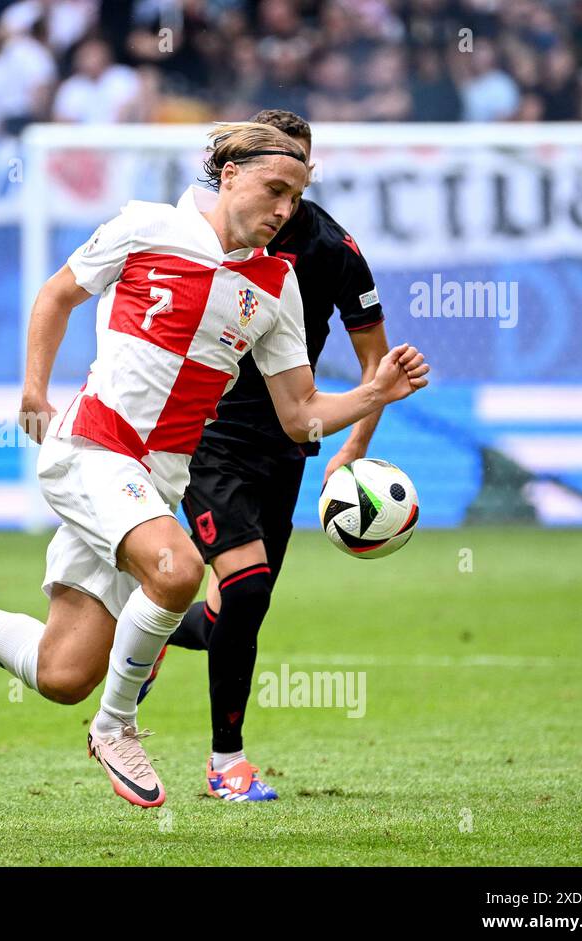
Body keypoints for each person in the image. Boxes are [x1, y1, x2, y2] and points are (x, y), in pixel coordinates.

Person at [0, 122, 430, 807]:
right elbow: (57, 294)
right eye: (274, 190)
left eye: (295, 197)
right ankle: (116, 728)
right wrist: (32, 390)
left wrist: (371, 395)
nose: (285, 210)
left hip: (153, 483)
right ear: (229, 176)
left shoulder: (276, 286)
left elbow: (300, 416)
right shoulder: (145, 227)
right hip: (91, 448)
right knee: (179, 571)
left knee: (63, 673)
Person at [142, 109, 390, 804]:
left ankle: (153, 627)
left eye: (296, 181)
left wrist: (352, 452)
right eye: (271, 180)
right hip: (207, 432)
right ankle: (227, 764)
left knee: (240, 609)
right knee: (246, 587)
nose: (282, 201)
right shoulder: (200, 232)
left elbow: (376, 363)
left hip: (290, 437)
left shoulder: (333, 248)